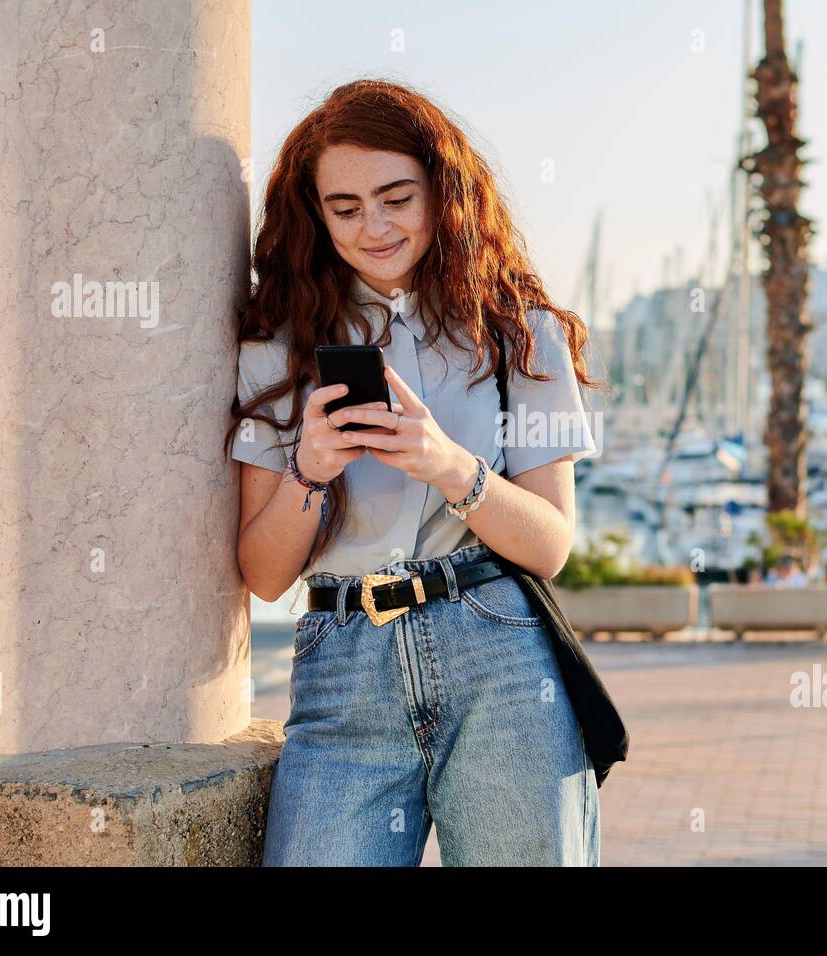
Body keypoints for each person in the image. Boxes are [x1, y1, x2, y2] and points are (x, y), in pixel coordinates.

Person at [223, 79, 601, 866]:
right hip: (343, 664)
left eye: (397, 197)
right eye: (346, 207)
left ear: (443, 190)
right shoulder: (276, 344)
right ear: (316, 212)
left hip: (498, 653)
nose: (375, 226)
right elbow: (262, 575)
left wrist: (447, 464)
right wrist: (309, 469)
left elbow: (551, 544)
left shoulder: (521, 333)